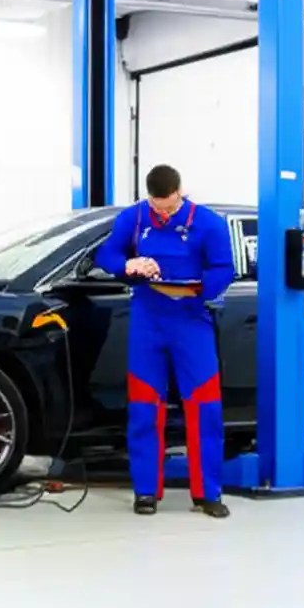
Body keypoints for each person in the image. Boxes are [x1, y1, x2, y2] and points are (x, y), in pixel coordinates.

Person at [95, 165, 236, 517]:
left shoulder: (209, 224)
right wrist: (129, 265)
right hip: (147, 320)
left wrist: (200, 288)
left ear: (180, 193)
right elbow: (107, 254)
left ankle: (208, 493)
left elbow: (223, 269)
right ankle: (145, 491)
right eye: (158, 208)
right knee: (144, 405)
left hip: (191, 320)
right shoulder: (135, 218)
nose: (163, 213)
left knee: (204, 406)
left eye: (169, 208)